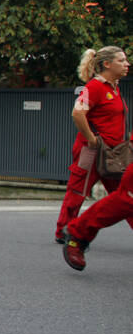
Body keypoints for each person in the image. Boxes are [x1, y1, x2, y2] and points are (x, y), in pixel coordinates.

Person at [55, 46, 131, 243]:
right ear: (107, 64)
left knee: (124, 195)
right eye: (121, 61)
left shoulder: (113, 87)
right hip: (92, 151)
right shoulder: (95, 87)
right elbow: (78, 113)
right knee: (78, 190)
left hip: (113, 153)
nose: (127, 64)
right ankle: (64, 231)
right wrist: (91, 138)